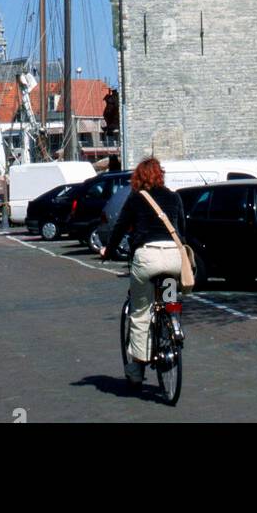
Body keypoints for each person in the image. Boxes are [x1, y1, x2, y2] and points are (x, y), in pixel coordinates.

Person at [100, 156, 186, 389]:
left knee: (140, 311)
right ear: (161, 175)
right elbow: (182, 230)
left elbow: (120, 227)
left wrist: (108, 250)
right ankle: (174, 320)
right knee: (170, 295)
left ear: (138, 177)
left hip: (147, 257)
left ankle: (137, 368)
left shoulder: (136, 199)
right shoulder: (174, 197)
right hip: (173, 257)